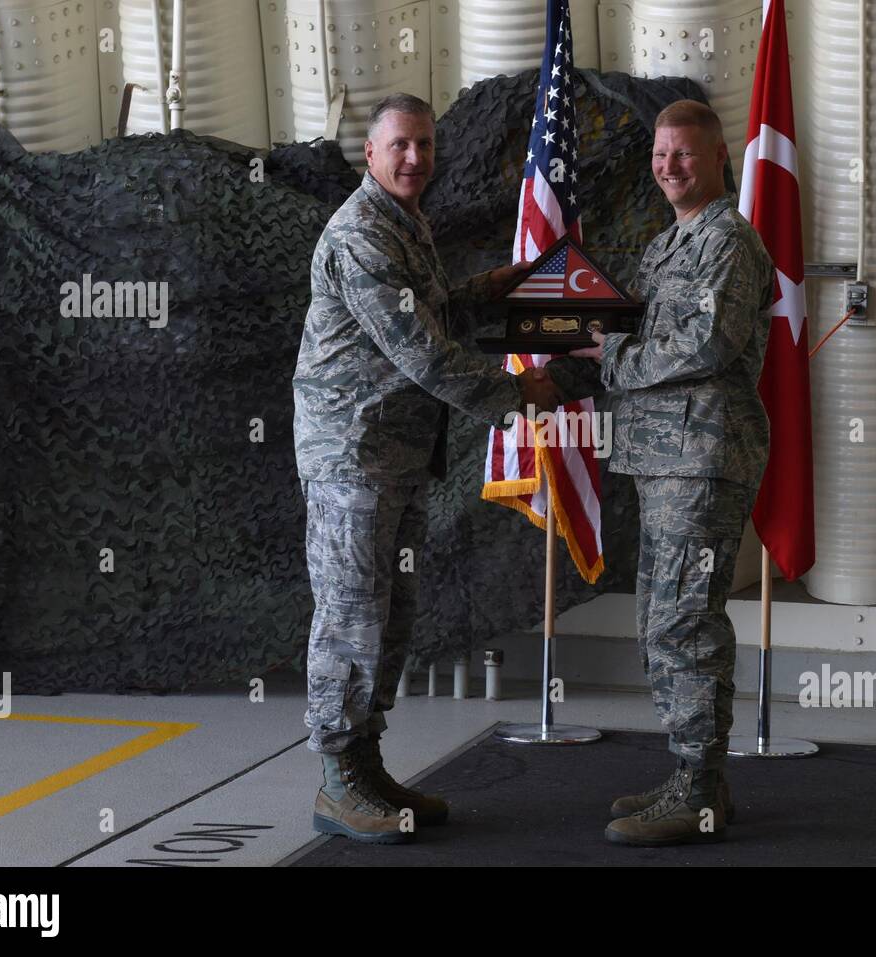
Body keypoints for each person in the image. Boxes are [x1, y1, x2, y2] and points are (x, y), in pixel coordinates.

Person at [293, 92, 559, 844]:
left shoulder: (405, 222)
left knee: (389, 612)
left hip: (396, 454)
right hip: (353, 453)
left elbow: (433, 313)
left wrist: (502, 284)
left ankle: (366, 763)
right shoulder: (360, 233)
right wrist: (519, 392)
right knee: (350, 613)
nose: (415, 158)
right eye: (400, 146)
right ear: (371, 155)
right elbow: (421, 352)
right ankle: (337, 778)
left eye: (425, 145)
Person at [547, 99, 774, 846]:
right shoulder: (667, 245)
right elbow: (639, 334)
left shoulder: (728, 241)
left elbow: (706, 343)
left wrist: (606, 354)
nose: (669, 166)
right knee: (661, 618)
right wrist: (562, 337)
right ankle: (694, 773)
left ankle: (698, 786)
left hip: (705, 457)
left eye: (683, 154)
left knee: (685, 619)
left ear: (716, 160)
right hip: (664, 460)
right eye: (659, 154)